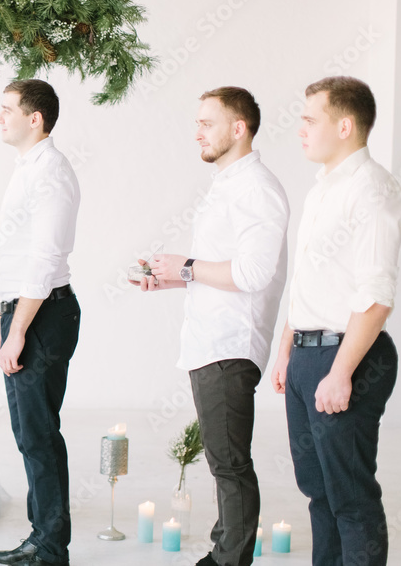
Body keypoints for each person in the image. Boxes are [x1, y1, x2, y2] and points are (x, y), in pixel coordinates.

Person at [135, 87, 290, 566]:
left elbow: (252, 274)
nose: (197, 130)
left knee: (229, 464)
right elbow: (220, 270)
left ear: (238, 128)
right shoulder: (228, 183)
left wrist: (186, 266)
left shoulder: (256, 188)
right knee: (224, 461)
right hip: (210, 342)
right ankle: (223, 547)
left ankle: (229, 560)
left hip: (229, 346)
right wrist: (173, 278)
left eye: (208, 122)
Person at [270, 76, 401, 566]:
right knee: (319, 491)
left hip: (347, 355)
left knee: (350, 495)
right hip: (310, 355)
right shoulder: (323, 188)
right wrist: (287, 350)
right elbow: (309, 280)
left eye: (311, 119)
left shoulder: (373, 191)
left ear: (345, 125)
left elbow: (376, 296)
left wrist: (342, 371)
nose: (300, 128)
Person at [0, 80, 81, 566]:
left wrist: (19, 329)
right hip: (24, 313)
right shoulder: (27, 168)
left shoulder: (51, 172)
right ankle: (41, 537)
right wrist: (0, 324)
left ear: (35, 119)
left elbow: (45, 260)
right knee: (30, 434)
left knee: (39, 434)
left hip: (44, 315)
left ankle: (49, 547)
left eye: (7, 110)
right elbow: (14, 257)